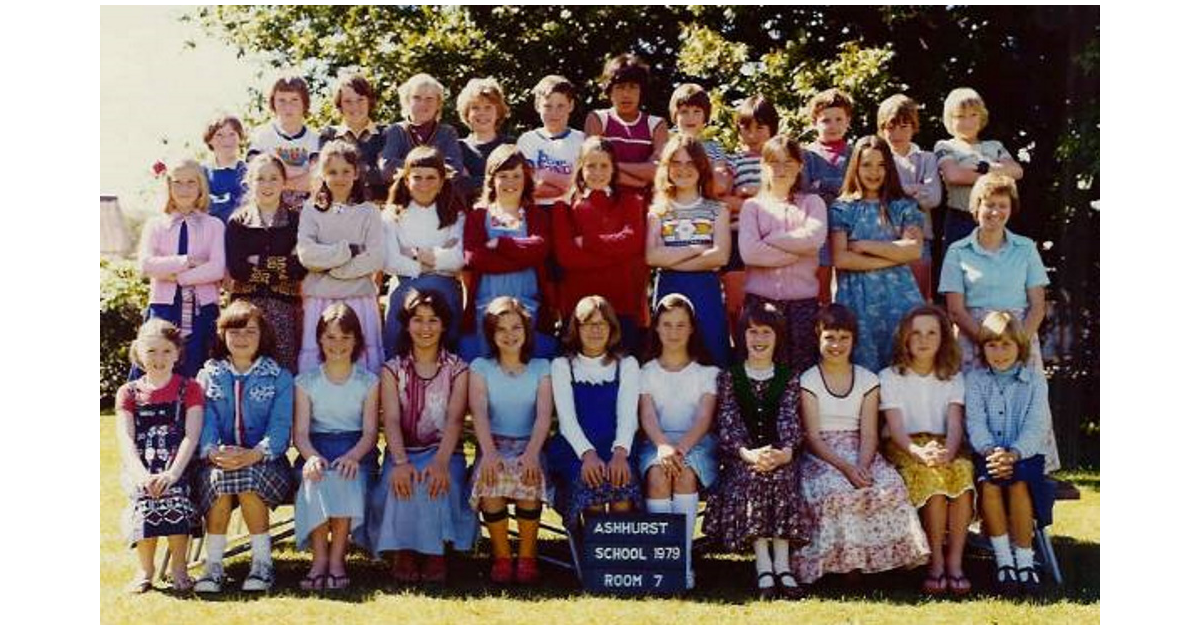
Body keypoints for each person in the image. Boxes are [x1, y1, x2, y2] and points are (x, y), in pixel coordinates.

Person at [791, 304, 929, 585]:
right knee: (836, 490)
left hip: (861, 450)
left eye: (844, 338)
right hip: (824, 455)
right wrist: (845, 469)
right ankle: (845, 565)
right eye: (830, 337)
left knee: (889, 485)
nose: (836, 345)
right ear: (818, 337)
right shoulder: (808, 380)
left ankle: (885, 562)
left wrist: (862, 467)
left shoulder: (868, 379)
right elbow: (813, 437)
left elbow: (869, 434)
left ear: (854, 340)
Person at [938, 173, 1059, 472]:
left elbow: (1037, 306)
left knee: (1026, 407)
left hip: (1020, 337)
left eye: (1002, 205)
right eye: (989, 205)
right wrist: (989, 343)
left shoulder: (1026, 248)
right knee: (975, 408)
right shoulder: (957, 251)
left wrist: (1014, 345)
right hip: (973, 339)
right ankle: (977, 475)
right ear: (976, 208)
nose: (995, 212)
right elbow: (955, 309)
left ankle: (1026, 475)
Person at [701, 300, 812, 599]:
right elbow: (728, 423)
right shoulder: (730, 378)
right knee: (756, 478)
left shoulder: (789, 377)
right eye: (752, 332)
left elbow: (790, 417)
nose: (759, 339)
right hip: (743, 459)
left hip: (781, 456)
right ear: (742, 337)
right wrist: (747, 453)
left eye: (766, 332)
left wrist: (786, 451)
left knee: (782, 476)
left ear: (778, 338)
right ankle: (764, 565)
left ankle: (783, 565)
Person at [367, 290, 477, 584]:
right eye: (418, 320)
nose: (425, 328)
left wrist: (441, 461)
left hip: (445, 451)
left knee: (436, 481)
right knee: (401, 480)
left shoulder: (458, 368)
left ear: (443, 325)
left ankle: (435, 552)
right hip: (403, 449)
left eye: (433, 320)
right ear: (406, 324)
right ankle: (403, 550)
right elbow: (389, 419)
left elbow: (454, 419)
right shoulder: (392, 369)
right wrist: (400, 461)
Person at [193, 301, 295, 593]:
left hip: (267, 462)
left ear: (262, 335)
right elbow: (206, 421)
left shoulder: (279, 377)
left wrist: (253, 454)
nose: (242, 338)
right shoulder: (208, 375)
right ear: (222, 334)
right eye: (234, 330)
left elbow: (279, 429)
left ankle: (262, 565)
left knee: (247, 480)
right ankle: (213, 567)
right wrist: (213, 452)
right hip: (218, 461)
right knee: (222, 477)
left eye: (250, 331)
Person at [879, 305, 975, 596]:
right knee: (934, 484)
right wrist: (919, 453)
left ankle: (955, 563)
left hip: (944, 442)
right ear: (905, 339)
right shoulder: (890, 376)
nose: (924, 339)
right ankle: (935, 562)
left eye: (932, 333)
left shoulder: (952, 377)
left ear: (943, 338)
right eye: (916, 333)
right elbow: (895, 429)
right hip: (905, 446)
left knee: (961, 473)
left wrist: (949, 450)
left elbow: (956, 423)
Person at [292, 303, 381, 592]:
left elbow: (370, 432)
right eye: (330, 337)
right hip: (316, 446)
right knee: (316, 478)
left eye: (345, 337)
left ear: (356, 340)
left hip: (356, 449)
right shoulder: (306, 381)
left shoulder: (368, 381)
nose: (338, 344)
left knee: (344, 477)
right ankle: (319, 559)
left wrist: (353, 456)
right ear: (319, 339)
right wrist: (312, 458)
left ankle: (337, 558)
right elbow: (301, 434)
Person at [965, 311, 1053, 597]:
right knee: (989, 483)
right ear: (983, 348)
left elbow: (1036, 425)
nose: (999, 352)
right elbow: (975, 423)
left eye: (1006, 345)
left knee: (1018, 483)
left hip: (1024, 454)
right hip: (989, 452)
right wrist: (991, 452)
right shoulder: (976, 381)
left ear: (1020, 346)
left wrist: (1013, 454)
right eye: (992, 345)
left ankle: (1025, 562)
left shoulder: (1035, 381)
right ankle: (1004, 562)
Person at [636, 293, 720, 590]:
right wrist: (663, 447)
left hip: (696, 443)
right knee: (658, 475)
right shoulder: (645, 371)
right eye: (667, 324)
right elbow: (647, 417)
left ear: (692, 328)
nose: (673, 332)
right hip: (656, 441)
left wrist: (680, 449)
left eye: (681, 325)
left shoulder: (708, 373)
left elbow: (703, 419)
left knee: (684, 474)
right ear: (656, 328)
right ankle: (663, 559)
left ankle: (682, 562)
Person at [468, 297, 553, 585]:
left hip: (530, 444)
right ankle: (502, 557)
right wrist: (489, 454)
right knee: (491, 479)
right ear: (491, 334)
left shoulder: (542, 368)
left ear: (526, 330)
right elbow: (478, 413)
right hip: (494, 444)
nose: (509, 335)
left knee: (529, 479)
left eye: (516, 327)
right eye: (500, 329)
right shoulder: (481, 367)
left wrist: (531, 454)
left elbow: (543, 416)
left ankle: (527, 558)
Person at [116, 319, 203, 593]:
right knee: (144, 496)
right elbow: (125, 437)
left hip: (178, 464)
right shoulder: (128, 392)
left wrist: (172, 473)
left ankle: (179, 567)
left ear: (177, 353)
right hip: (140, 466)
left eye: (166, 351)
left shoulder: (189, 388)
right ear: (138, 353)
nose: (159, 358)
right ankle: (145, 568)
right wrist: (141, 475)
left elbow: (192, 435)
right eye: (151, 351)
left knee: (174, 494)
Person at [829, 136, 925, 372]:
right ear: (855, 167)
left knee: (903, 362)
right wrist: (894, 254)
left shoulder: (902, 205)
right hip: (857, 299)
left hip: (899, 297)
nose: (874, 172)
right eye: (867, 165)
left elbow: (913, 249)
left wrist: (864, 245)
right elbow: (842, 258)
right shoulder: (843, 207)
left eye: (881, 165)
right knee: (864, 368)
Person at [545, 296, 642, 524]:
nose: (595, 330)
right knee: (592, 488)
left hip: (618, 447)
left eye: (602, 323)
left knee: (622, 487)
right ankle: (592, 550)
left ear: (612, 328)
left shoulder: (627, 365)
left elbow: (628, 418)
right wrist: (588, 455)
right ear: (576, 328)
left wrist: (620, 454)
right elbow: (567, 421)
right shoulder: (562, 366)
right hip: (576, 450)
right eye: (588, 324)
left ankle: (619, 550)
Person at [738, 134, 827, 372]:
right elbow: (750, 253)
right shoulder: (752, 207)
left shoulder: (813, 203)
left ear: (799, 166)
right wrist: (796, 253)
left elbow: (813, 239)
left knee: (801, 371)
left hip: (803, 305)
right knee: (760, 369)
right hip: (760, 303)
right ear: (763, 166)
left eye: (788, 162)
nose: (781, 168)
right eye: (774, 162)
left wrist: (769, 240)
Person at [295, 140, 385, 374]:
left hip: (359, 299)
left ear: (356, 173)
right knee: (321, 362)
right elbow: (307, 253)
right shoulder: (311, 210)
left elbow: (375, 257)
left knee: (359, 361)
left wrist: (336, 269)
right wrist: (346, 251)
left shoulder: (369, 212)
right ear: (323, 175)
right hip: (320, 299)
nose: (340, 178)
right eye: (332, 172)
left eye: (346, 171)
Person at [461, 144, 557, 361]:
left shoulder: (536, 215)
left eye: (516, 176)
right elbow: (475, 258)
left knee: (528, 367)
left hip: (528, 308)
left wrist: (500, 244)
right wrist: (522, 255)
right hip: (486, 310)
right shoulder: (478, 215)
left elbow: (540, 249)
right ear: (491, 179)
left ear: (526, 179)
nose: (510, 183)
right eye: (503, 176)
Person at [552, 136, 647, 352]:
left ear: (614, 168)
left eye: (604, 165)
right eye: (591, 166)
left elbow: (631, 244)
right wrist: (615, 254)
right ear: (580, 168)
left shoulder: (631, 202)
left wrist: (587, 241)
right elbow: (567, 257)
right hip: (578, 306)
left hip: (621, 304)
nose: (597, 172)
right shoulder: (564, 207)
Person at [646, 134, 733, 368]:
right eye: (676, 163)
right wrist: (696, 247)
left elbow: (720, 256)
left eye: (690, 163)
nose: (683, 169)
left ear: (702, 167)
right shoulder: (658, 211)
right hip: (669, 287)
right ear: (666, 168)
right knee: (670, 350)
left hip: (706, 288)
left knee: (712, 350)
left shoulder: (717, 210)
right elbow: (652, 256)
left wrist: (672, 260)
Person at [135, 158, 225, 379]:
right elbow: (146, 264)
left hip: (202, 309)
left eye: (191, 182)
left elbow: (217, 269)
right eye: (177, 182)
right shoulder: (156, 225)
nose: (184, 189)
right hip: (164, 306)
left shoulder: (213, 225)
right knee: (157, 364)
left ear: (201, 186)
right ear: (168, 186)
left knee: (200, 366)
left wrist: (176, 276)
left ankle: (195, 413)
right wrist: (187, 262)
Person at [381, 146, 467, 358]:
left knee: (446, 353)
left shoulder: (455, 214)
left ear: (441, 181)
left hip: (444, 290)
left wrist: (413, 252)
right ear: (407, 180)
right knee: (399, 352)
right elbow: (390, 261)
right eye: (417, 177)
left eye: (431, 178)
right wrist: (437, 259)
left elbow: (457, 259)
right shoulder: (393, 214)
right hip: (404, 287)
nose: (424, 184)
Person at [225, 154, 306, 372]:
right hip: (246, 311)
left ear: (283, 182)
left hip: (284, 308)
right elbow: (238, 269)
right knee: (247, 369)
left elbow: (299, 268)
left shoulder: (296, 221)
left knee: (283, 371)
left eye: (273, 178)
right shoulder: (238, 223)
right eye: (260, 178)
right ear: (250, 182)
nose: (267, 185)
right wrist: (282, 265)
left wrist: (258, 261)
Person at [934, 87, 1024, 250]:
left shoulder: (995, 146)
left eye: (973, 115)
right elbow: (954, 175)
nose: (967, 122)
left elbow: (1016, 171)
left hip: (995, 218)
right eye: (960, 116)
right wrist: (997, 173)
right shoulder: (946, 146)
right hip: (961, 219)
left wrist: (985, 167)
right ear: (950, 119)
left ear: (981, 116)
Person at [722, 94, 779, 331]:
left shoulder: (779, 162)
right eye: (746, 128)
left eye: (760, 127)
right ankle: (737, 357)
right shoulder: (732, 161)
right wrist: (755, 200)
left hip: (771, 238)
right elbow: (723, 199)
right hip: (736, 236)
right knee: (736, 304)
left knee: (769, 305)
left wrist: (751, 192)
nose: (753, 135)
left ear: (772, 129)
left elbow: (783, 198)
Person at [877, 94, 942, 300]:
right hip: (885, 237)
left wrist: (896, 189)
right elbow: (879, 193)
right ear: (881, 128)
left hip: (920, 238)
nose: (897, 133)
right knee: (887, 298)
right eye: (890, 127)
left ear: (914, 127)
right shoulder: (877, 159)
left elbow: (933, 198)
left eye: (904, 127)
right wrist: (912, 188)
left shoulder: (927, 159)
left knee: (919, 299)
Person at [584, 53, 669, 194]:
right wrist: (639, 180)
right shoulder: (598, 119)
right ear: (609, 90)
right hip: (604, 200)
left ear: (641, 90)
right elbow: (594, 169)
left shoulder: (656, 124)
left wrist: (611, 167)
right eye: (620, 87)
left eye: (633, 87)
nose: (626, 94)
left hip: (644, 206)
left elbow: (658, 171)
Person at [802, 88, 856, 305]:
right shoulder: (807, 155)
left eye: (838, 119)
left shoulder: (855, 153)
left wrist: (823, 184)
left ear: (848, 121)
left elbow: (856, 188)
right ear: (814, 123)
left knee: (848, 285)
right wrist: (839, 187)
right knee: (820, 288)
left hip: (850, 228)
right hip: (819, 228)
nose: (832, 125)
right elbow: (806, 190)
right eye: (826, 120)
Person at [380, 73, 467, 199]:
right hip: (402, 202)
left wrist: (408, 171)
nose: (423, 104)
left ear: (438, 104)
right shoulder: (396, 131)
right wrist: (436, 171)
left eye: (429, 99)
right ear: (407, 101)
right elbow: (387, 168)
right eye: (417, 98)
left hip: (440, 202)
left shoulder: (447, 133)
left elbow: (455, 169)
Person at [247, 74, 321, 212]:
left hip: (305, 212)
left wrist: (275, 179)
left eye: (294, 100)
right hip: (269, 210)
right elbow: (254, 175)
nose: (288, 106)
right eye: (282, 100)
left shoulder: (315, 139)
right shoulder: (261, 136)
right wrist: (299, 175)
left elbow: (315, 180)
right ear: (273, 103)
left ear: (304, 103)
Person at [516, 75, 586, 207]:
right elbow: (523, 183)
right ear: (537, 106)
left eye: (560, 106)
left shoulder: (581, 140)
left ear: (571, 106)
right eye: (548, 106)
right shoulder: (526, 141)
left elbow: (584, 183)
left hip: (570, 210)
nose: (554, 113)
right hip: (533, 210)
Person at [319, 72, 389, 203]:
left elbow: (388, 176)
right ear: (340, 105)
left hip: (379, 210)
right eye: (348, 101)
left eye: (360, 99)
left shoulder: (387, 134)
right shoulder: (328, 136)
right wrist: (372, 170)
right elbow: (324, 178)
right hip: (340, 211)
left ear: (370, 101)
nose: (355, 106)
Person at [668, 83, 733, 197]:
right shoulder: (669, 146)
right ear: (675, 115)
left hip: (705, 200)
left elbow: (720, 180)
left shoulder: (714, 147)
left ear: (705, 116)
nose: (690, 117)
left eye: (697, 111)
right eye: (684, 112)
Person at [457, 77, 515, 203]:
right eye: (475, 108)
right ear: (467, 113)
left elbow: (516, 184)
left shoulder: (511, 147)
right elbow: (456, 186)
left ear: (498, 112)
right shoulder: (457, 148)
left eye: (488, 107)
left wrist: (472, 182)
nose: (482, 113)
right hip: (468, 219)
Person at [202, 114, 247, 224]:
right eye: (219, 135)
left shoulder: (247, 171)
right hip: (208, 234)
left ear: (240, 138)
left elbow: (244, 205)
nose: (227, 139)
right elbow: (199, 203)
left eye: (232, 134)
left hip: (237, 232)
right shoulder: (202, 172)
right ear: (210, 140)